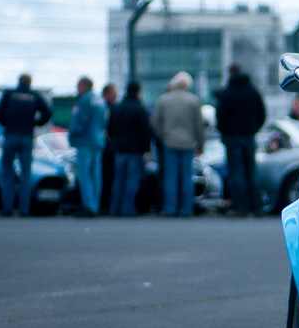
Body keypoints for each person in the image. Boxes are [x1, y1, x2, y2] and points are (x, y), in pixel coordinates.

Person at [0, 73, 52, 216]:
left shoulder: (10, 94)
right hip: (27, 136)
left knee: (7, 171)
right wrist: (36, 123)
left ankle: (7, 207)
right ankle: (24, 209)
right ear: (30, 83)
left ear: (18, 81)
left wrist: (6, 122)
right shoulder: (34, 96)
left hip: (11, 135)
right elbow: (48, 112)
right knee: (26, 173)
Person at [215, 63, 267, 217]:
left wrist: (225, 132)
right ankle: (256, 206)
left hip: (232, 138)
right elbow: (262, 113)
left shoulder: (228, 93)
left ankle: (240, 207)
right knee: (251, 171)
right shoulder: (252, 91)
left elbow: (220, 117)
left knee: (236, 173)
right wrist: (253, 129)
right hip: (249, 136)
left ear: (230, 74)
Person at [150, 71, 204, 216]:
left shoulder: (163, 100)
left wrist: (164, 137)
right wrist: (200, 143)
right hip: (188, 143)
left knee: (170, 178)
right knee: (187, 177)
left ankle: (170, 208)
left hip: (170, 142)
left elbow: (155, 123)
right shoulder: (193, 100)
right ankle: (186, 209)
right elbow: (199, 125)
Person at [107, 81, 153, 215]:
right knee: (132, 180)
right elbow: (145, 131)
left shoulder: (117, 108)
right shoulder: (140, 109)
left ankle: (114, 208)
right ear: (138, 92)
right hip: (135, 150)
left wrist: (116, 143)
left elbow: (110, 129)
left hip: (120, 149)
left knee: (118, 180)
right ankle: (128, 208)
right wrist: (146, 149)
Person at [67, 76, 107, 217]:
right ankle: (95, 205)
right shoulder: (100, 100)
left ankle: (88, 206)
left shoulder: (84, 101)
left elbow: (80, 121)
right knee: (96, 175)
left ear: (84, 86)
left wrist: (72, 135)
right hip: (98, 140)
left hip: (85, 141)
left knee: (84, 173)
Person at [99, 82, 118, 212]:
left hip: (108, 147)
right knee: (105, 175)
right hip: (106, 147)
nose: (115, 97)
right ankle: (104, 203)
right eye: (113, 94)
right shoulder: (104, 108)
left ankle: (105, 203)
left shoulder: (111, 107)